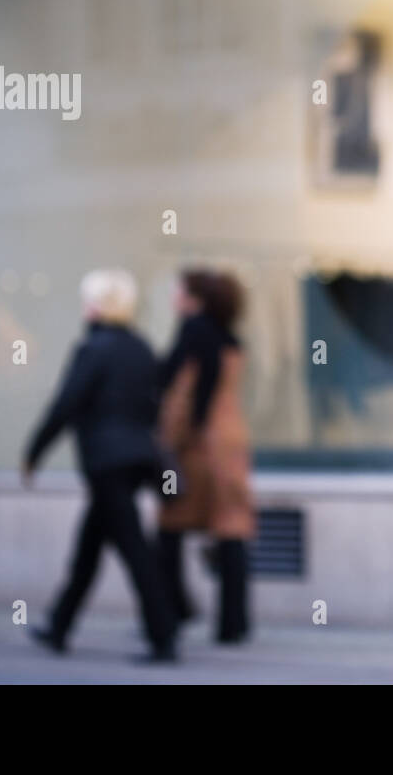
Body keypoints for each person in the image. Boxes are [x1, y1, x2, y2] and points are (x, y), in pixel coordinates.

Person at [22, 268, 177, 663]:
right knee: (89, 549)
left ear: (94, 306)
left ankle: (163, 635)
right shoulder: (141, 347)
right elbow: (154, 403)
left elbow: (66, 404)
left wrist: (34, 451)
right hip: (135, 458)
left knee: (133, 550)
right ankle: (59, 625)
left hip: (107, 463)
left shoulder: (92, 350)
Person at [156, 269, 256, 644]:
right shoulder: (231, 338)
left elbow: (183, 389)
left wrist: (172, 440)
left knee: (169, 527)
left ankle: (172, 610)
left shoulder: (192, 331)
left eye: (178, 291)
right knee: (232, 528)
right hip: (231, 438)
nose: (173, 297)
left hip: (197, 445)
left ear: (194, 298)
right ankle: (234, 623)